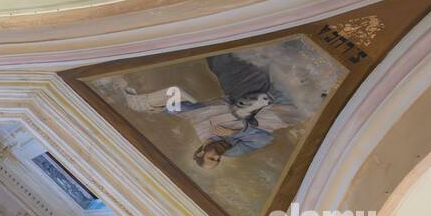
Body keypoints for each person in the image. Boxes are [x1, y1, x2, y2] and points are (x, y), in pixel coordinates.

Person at [123, 52, 306, 169]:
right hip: (281, 109)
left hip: (247, 92)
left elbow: (188, 110)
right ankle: (246, 109)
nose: (218, 157)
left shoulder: (201, 127)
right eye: (218, 161)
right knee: (243, 107)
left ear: (201, 152)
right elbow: (264, 138)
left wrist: (158, 108)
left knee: (219, 62)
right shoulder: (234, 150)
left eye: (212, 159)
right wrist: (238, 130)